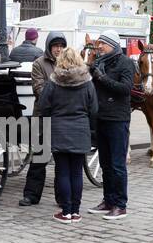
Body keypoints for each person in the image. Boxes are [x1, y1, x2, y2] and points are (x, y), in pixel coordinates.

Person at [38, 45, 97, 223]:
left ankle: (65, 212)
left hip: (59, 130)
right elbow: (94, 109)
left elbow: (43, 106)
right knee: (77, 173)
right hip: (80, 130)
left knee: (62, 172)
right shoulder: (87, 82)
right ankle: (75, 211)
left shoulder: (54, 81)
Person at [88, 29, 136, 220]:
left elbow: (125, 89)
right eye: (99, 44)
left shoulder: (125, 63)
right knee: (105, 163)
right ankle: (108, 200)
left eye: (103, 44)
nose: (99, 47)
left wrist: (101, 78)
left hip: (117, 119)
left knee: (117, 165)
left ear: (113, 45)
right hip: (101, 118)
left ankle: (120, 204)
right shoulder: (99, 62)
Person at [19, 31, 67, 207]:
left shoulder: (68, 63)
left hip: (63, 118)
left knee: (62, 161)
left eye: (61, 46)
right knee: (39, 158)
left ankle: (62, 197)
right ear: (49, 47)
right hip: (44, 116)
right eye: (55, 46)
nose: (58, 49)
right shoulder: (39, 63)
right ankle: (31, 195)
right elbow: (40, 90)